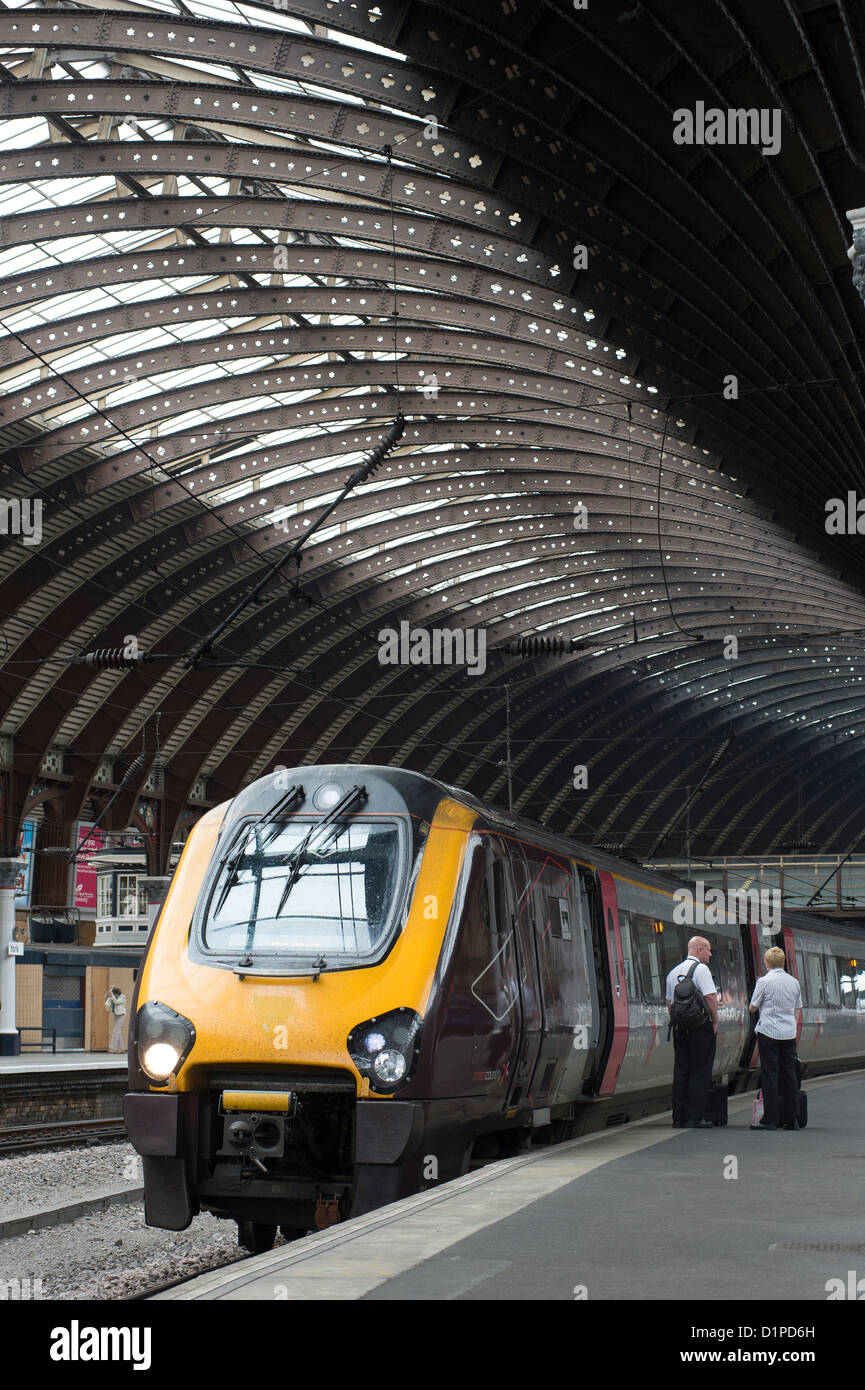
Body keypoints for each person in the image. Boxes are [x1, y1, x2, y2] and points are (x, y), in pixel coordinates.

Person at [665, 935, 719, 1128]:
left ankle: (679, 1117)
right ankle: (695, 1116)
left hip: (680, 1028)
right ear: (699, 950)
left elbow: (669, 1003)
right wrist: (715, 1021)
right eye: (708, 950)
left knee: (681, 1070)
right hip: (700, 1028)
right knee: (700, 1070)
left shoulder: (672, 973)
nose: (711, 954)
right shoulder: (702, 970)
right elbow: (711, 998)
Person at [749, 946, 802, 1131]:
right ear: (783, 962)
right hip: (788, 1034)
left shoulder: (763, 981)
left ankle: (770, 1119)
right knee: (789, 1075)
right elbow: (797, 1007)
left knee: (770, 1075)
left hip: (769, 1033)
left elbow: (753, 1007)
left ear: (767, 962)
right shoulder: (794, 982)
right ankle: (792, 1119)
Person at [105, 986, 127, 1053]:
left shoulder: (123, 997)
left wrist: (112, 996)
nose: (113, 995)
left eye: (114, 994)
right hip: (116, 1015)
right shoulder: (113, 996)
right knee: (118, 1032)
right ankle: (121, 1049)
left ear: (116, 993)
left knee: (116, 1031)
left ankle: (113, 1047)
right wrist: (110, 991)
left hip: (121, 1015)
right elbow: (105, 996)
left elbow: (116, 1002)